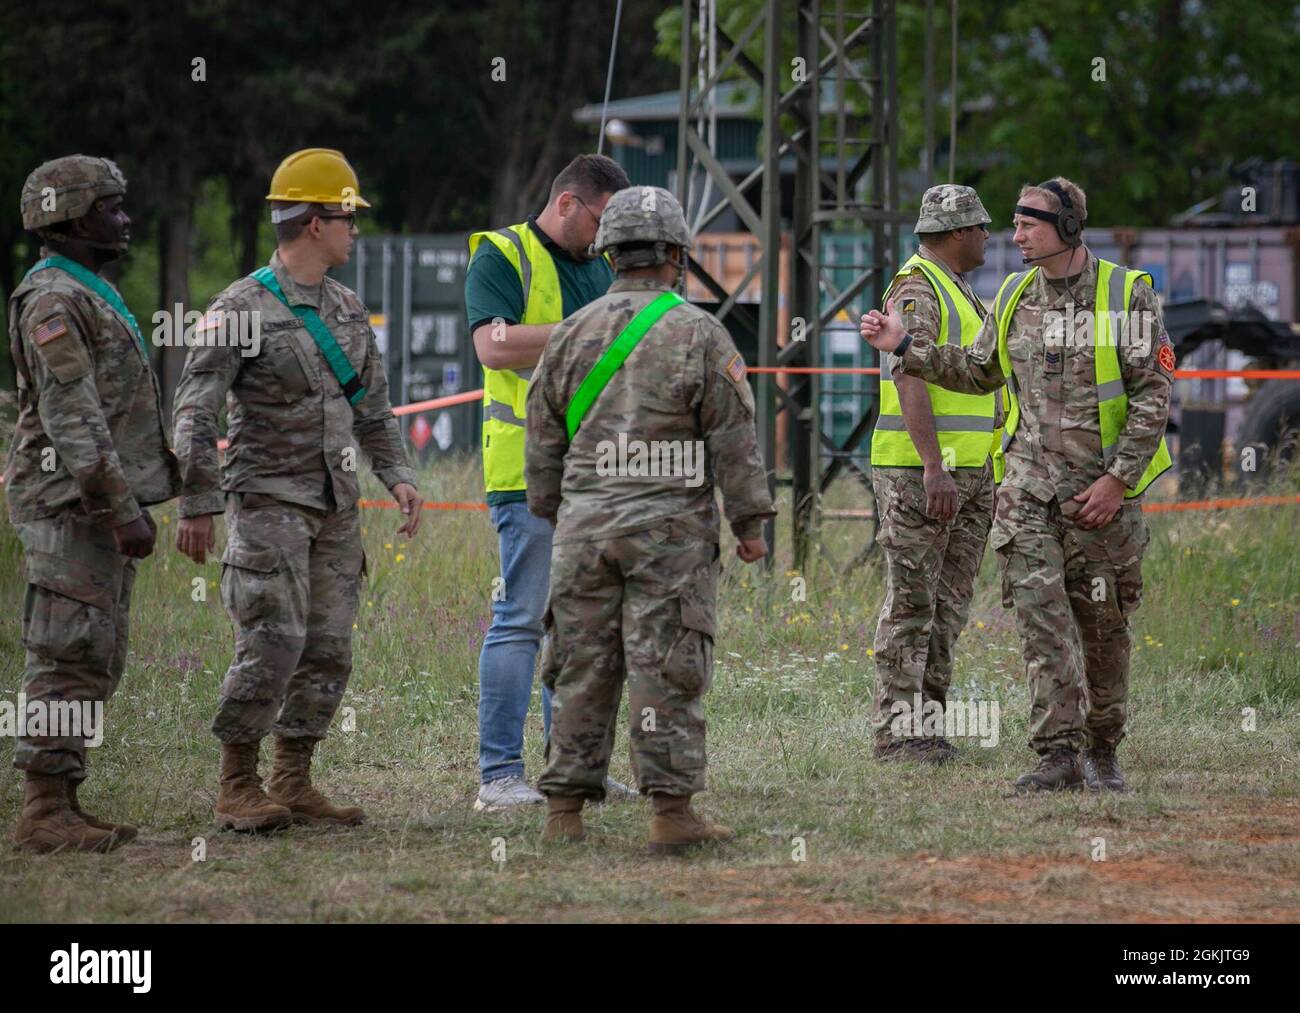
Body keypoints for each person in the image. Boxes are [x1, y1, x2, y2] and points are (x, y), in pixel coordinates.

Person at [860, 177, 1173, 792]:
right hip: (1027, 494)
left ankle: (1101, 749)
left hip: (1102, 498)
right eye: (1014, 220)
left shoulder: (1126, 295)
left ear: (1070, 229)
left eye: (1029, 222)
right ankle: (1057, 754)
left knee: (1103, 628)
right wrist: (906, 347)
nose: (1015, 233)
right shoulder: (1012, 295)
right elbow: (978, 371)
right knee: (1040, 623)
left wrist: (1118, 481)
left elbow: (1153, 395)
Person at [173, 148, 422, 830]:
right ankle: (237, 784)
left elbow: (373, 407)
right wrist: (197, 503)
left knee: (328, 646)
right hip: (269, 505)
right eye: (347, 216)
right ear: (315, 222)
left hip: (336, 508)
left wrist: (397, 475)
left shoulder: (347, 308)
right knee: (271, 641)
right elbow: (195, 408)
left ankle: (293, 778)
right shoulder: (239, 307)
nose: (356, 229)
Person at [526, 185, 775, 853]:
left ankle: (564, 813)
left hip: (584, 529)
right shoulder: (698, 332)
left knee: (580, 663)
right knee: (666, 667)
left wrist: (555, 507)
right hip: (667, 534)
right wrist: (750, 523)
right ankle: (670, 814)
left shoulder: (572, 332)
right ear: (676, 255)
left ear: (608, 254)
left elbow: (542, 434)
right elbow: (734, 441)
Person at [7, 155, 180, 852]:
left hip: (91, 504)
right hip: (70, 504)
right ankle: (43, 809)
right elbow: (73, 413)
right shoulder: (54, 299)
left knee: (92, 650)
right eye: (113, 205)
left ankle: (64, 800)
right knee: (66, 650)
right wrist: (119, 505)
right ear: (74, 216)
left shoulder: (85, 289)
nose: (125, 217)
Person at [465, 153, 635, 810]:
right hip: (526, 474)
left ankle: (575, 768)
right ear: (568, 203)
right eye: (599, 220)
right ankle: (499, 776)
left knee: (583, 626)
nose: (604, 239)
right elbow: (494, 346)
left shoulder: (600, 265)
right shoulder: (501, 256)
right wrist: (593, 329)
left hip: (595, 474)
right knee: (522, 621)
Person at [869, 184, 1005, 763]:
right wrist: (933, 466)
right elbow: (909, 374)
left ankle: (927, 728)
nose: (989, 237)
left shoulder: (959, 289)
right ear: (957, 233)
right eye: (981, 228)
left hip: (968, 472)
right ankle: (898, 735)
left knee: (947, 609)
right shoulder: (917, 288)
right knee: (913, 605)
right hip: (922, 474)